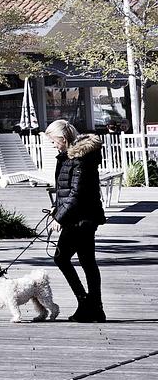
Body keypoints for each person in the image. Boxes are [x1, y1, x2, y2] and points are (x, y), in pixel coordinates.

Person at [47, 119, 106, 322]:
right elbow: (64, 192)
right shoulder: (69, 157)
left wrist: (59, 217)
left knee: (62, 258)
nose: (53, 146)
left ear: (63, 139)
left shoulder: (79, 158)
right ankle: (94, 308)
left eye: (54, 142)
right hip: (81, 217)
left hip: (81, 218)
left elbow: (76, 193)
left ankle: (87, 303)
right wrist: (57, 208)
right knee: (87, 262)